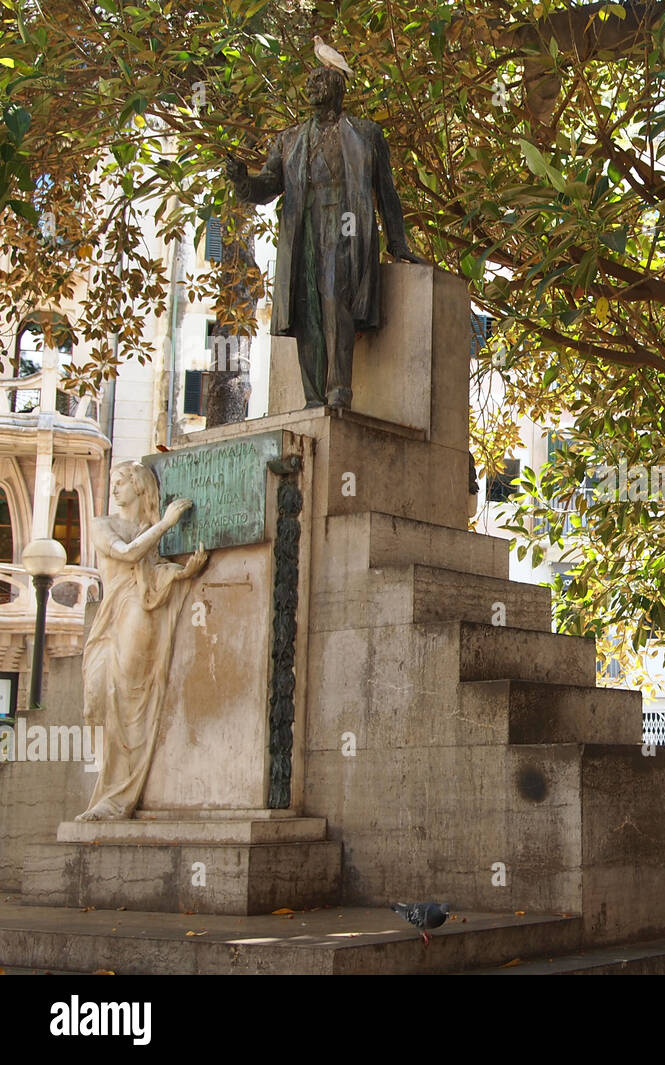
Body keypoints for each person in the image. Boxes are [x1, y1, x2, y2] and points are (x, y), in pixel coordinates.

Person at [226, 65, 425, 410]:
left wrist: (397, 241)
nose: (311, 85)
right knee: (306, 308)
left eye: (318, 81)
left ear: (336, 88)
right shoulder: (289, 139)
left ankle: (338, 391)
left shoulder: (366, 133)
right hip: (304, 227)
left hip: (346, 223)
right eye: (310, 81)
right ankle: (313, 398)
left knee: (335, 300)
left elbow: (386, 192)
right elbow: (267, 186)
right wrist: (242, 180)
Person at [77, 463, 207, 821]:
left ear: (139, 487)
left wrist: (182, 573)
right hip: (108, 618)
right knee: (95, 702)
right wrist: (166, 523)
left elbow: (154, 570)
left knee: (127, 702)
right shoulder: (102, 525)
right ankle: (108, 786)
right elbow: (128, 553)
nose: (114, 489)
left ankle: (117, 797)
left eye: (121, 482)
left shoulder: (149, 533)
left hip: (137, 614)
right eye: (114, 483)